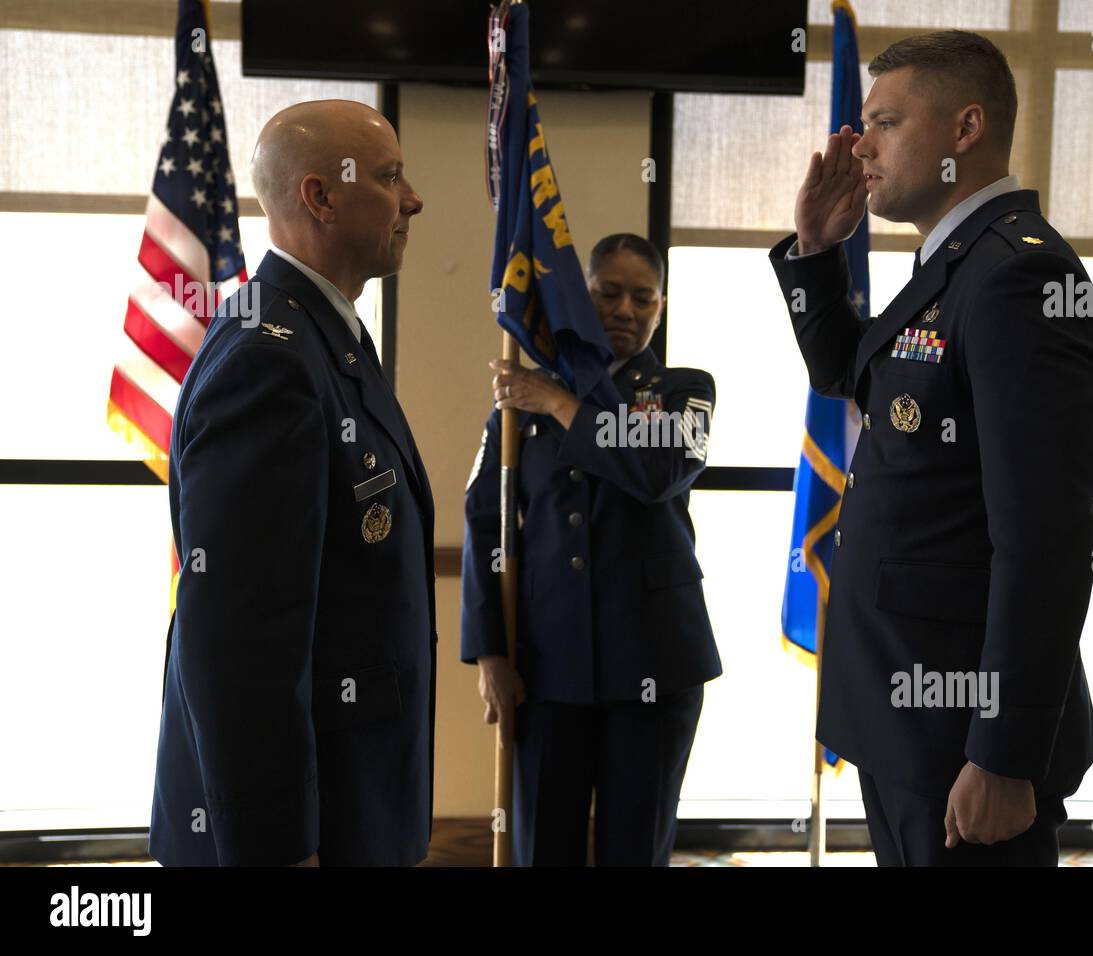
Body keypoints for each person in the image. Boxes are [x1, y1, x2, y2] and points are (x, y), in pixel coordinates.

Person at [770, 31, 1093, 866]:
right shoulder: (952, 265)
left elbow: (1046, 542)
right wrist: (817, 253)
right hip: (906, 715)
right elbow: (858, 387)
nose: (857, 146)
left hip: (963, 737)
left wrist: (1002, 753)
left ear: (965, 130)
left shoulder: (1017, 278)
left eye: (885, 122)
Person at [149, 100, 435, 866]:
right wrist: (276, 847)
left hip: (355, 798)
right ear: (321, 197)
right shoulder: (270, 358)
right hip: (311, 825)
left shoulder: (314, 331)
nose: (413, 199)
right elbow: (242, 648)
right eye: (390, 176)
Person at [460, 233, 721, 866]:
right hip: (548, 666)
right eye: (608, 293)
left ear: (661, 305)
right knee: (540, 846)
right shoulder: (517, 407)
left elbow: (652, 470)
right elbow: (484, 522)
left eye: (643, 297)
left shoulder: (686, 390)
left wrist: (554, 400)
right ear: (582, 295)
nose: (625, 310)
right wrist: (491, 653)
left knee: (635, 849)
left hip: (655, 663)